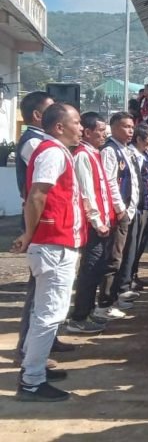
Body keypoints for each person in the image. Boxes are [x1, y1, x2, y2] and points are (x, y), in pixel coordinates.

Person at [12, 103, 84, 401]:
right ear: (59, 127)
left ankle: (34, 367)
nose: (81, 128)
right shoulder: (52, 152)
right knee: (49, 314)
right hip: (53, 244)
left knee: (46, 311)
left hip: (57, 242)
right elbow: (37, 195)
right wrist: (30, 234)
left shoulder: (56, 151)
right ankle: (32, 380)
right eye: (76, 122)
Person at [13, 92, 71, 366]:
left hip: (50, 227)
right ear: (39, 116)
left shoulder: (47, 144)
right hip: (44, 229)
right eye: (51, 109)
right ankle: (28, 354)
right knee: (40, 297)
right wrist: (29, 232)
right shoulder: (39, 145)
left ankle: (43, 345)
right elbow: (38, 192)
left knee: (47, 299)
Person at [66, 112, 116, 335]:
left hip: (102, 222)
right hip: (93, 226)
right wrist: (96, 220)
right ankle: (79, 317)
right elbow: (86, 192)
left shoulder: (95, 153)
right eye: (101, 130)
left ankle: (88, 310)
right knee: (90, 269)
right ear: (87, 132)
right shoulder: (82, 156)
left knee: (97, 268)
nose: (104, 135)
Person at [97, 112, 139, 320]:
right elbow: (110, 182)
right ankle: (104, 303)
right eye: (125, 126)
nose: (130, 130)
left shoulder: (126, 150)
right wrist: (120, 209)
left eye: (132, 126)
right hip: (118, 214)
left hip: (128, 211)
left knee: (121, 257)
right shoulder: (110, 151)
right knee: (113, 258)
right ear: (113, 128)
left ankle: (115, 297)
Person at [127, 124, 148, 291]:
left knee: (142, 241)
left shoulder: (144, 154)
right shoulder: (131, 155)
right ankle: (127, 278)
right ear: (138, 139)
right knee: (134, 242)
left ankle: (134, 274)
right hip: (138, 205)